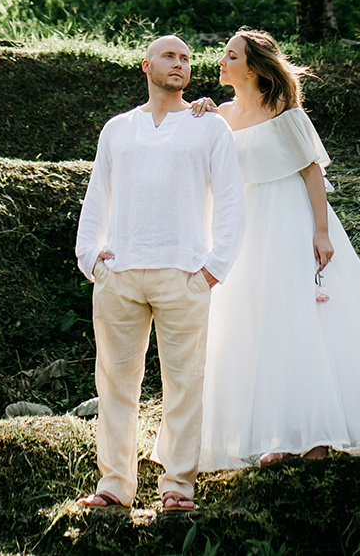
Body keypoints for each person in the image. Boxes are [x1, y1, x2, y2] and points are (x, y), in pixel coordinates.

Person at [196, 28, 360, 469]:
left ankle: (316, 435)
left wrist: (321, 231)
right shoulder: (223, 115)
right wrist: (201, 112)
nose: (222, 61)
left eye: (231, 55)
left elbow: (312, 172)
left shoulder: (285, 112)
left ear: (252, 68)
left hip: (289, 216)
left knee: (298, 318)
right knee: (260, 323)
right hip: (248, 225)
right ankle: (280, 433)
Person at [73, 34, 245, 512]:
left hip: (185, 274)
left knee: (185, 385)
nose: (180, 63)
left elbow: (231, 201)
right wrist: (90, 259)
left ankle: (177, 486)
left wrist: (213, 268)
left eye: (186, 58)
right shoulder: (118, 129)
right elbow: (97, 194)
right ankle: (114, 485)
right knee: (114, 385)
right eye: (169, 56)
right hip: (120, 274)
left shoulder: (209, 128)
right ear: (146, 66)